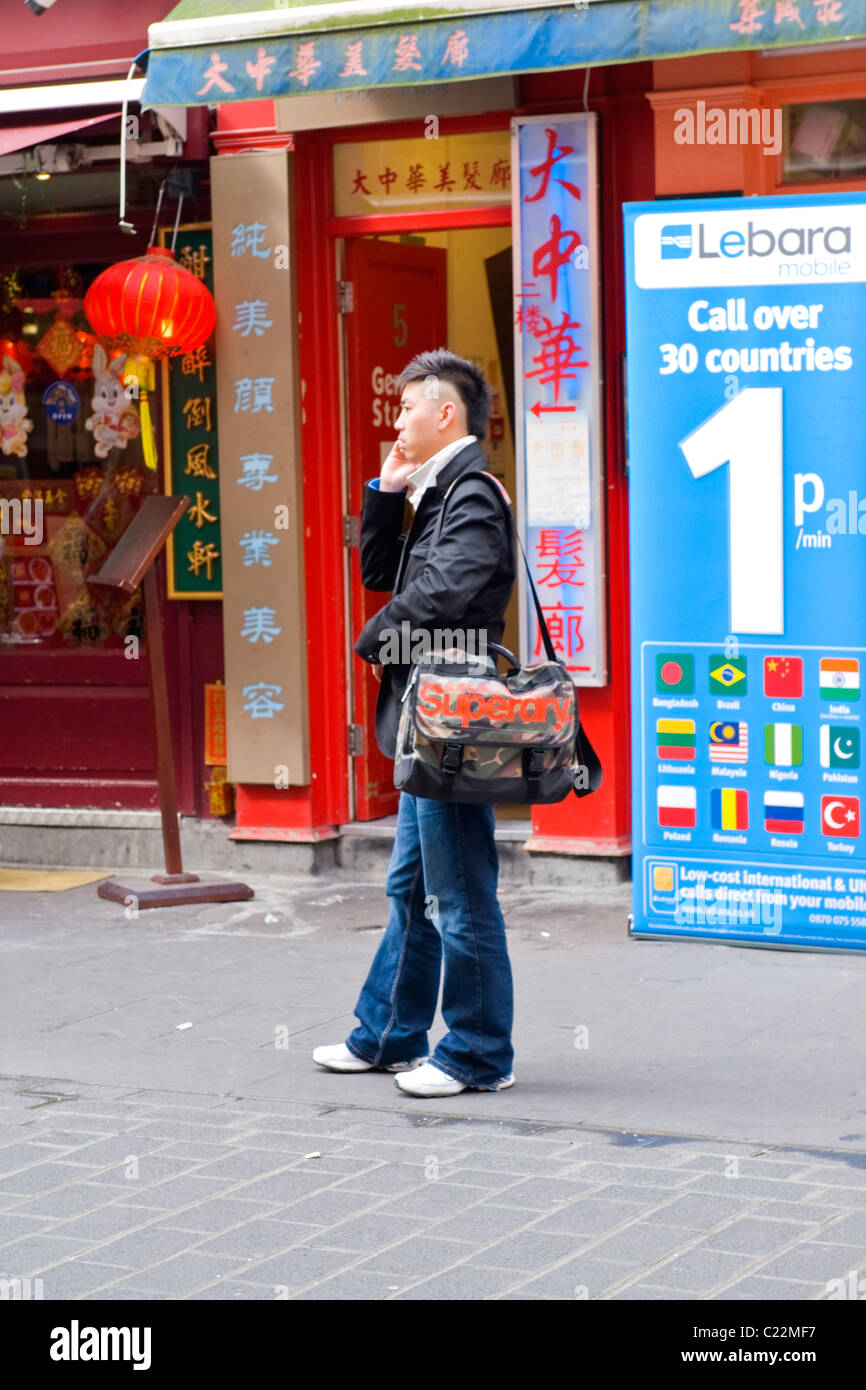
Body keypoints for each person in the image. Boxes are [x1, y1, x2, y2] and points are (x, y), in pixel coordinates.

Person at [313, 349, 517, 1097]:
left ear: (446, 414)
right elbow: (380, 572)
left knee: (459, 892)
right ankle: (390, 1036)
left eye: (406, 408)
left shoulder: (471, 495)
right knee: (412, 888)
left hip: (452, 723)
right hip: (426, 720)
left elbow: (446, 590)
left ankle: (477, 1053)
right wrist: (385, 492)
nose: (396, 420)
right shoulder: (436, 491)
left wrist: (374, 641)